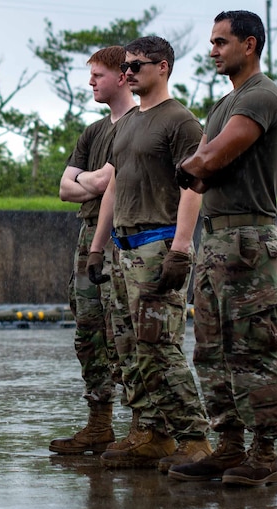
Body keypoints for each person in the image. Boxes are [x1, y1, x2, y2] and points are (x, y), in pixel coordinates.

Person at [168, 11, 277, 486]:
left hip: (249, 241)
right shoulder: (224, 104)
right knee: (212, 351)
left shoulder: (261, 95)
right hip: (216, 240)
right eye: (212, 42)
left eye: (221, 42)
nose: (212, 50)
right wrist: (196, 165)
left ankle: (264, 453)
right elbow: (200, 168)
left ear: (249, 44)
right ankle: (230, 446)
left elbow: (210, 157)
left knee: (254, 349)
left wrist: (194, 165)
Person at [88, 37, 211, 469]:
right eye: (125, 66)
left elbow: (194, 185)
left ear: (162, 67)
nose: (128, 73)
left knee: (158, 345)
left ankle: (195, 437)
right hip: (124, 248)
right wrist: (97, 246)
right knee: (128, 348)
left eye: (136, 66)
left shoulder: (180, 122)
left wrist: (181, 249)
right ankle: (150, 432)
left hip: (158, 245)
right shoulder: (127, 124)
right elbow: (114, 186)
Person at [49, 47, 134, 455]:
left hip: (123, 237)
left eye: (98, 75)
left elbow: (106, 184)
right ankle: (99, 423)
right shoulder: (94, 131)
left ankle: (144, 426)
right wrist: (92, 180)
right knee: (88, 332)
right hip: (87, 235)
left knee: (125, 332)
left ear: (122, 76)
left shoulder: (137, 124)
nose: (91, 82)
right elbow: (65, 189)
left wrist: (90, 181)